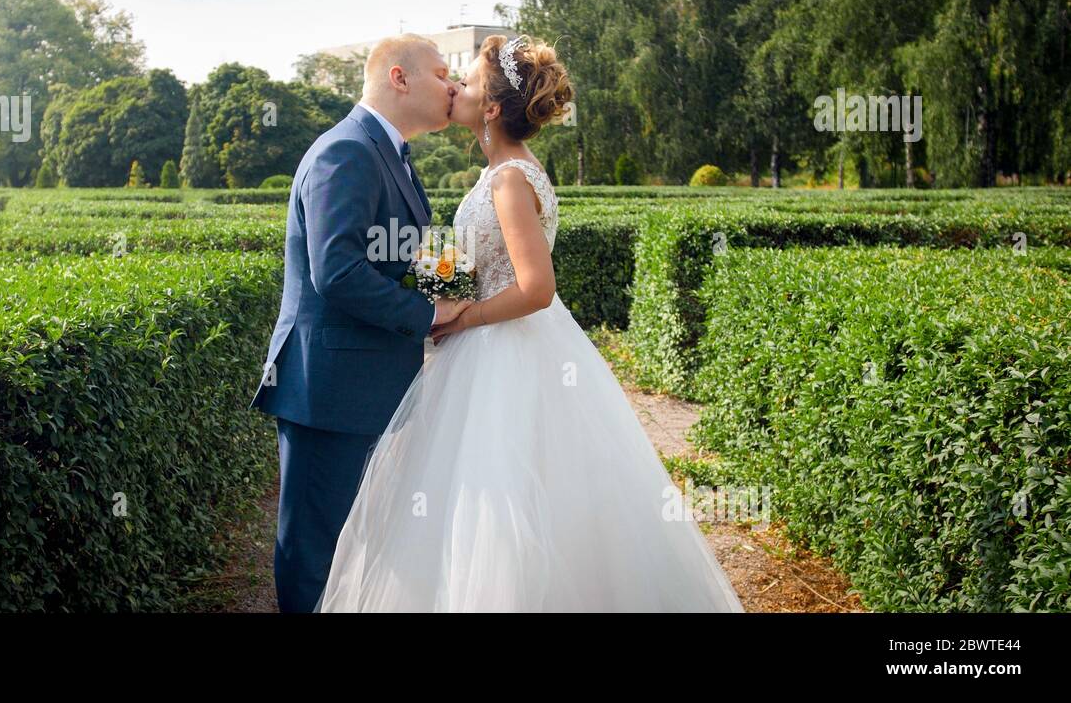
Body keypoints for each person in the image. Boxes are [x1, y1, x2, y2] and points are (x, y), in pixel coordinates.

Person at [313, 34, 746, 612]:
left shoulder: (510, 179)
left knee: (499, 500)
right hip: (490, 348)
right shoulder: (500, 170)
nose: (454, 90)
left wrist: (464, 317)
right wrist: (443, 289)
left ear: (490, 108)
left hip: (502, 351)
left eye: (464, 83)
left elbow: (537, 289)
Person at [249, 34, 471, 613]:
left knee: (360, 545)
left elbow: (385, 258)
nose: (453, 87)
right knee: (316, 549)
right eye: (444, 74)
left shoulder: (388, 151)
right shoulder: (345, 150)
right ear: (399, 77)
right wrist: (427, 312)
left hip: (368, 386)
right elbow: (338, 270)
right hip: (328, 387)